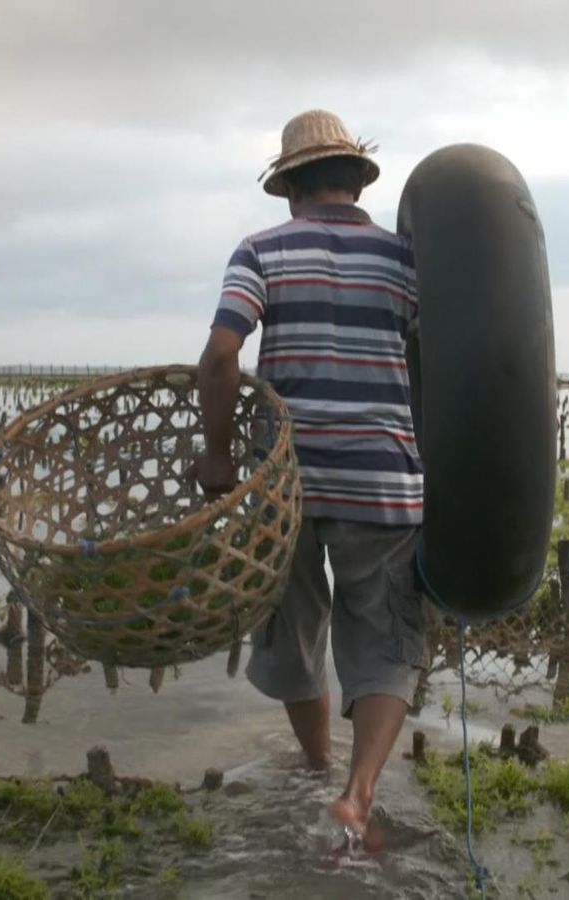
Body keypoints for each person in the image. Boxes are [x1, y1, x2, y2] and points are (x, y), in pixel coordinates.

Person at [194, 109, 425, 846]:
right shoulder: (405, 260)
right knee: (385, 639)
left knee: (291, 634)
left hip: (284, 487)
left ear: (291, 186)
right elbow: (436, 366)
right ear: (357, 181)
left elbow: (221, 357)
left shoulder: (260, 251)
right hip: (381, 484)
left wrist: (219, 456)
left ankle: (318, 763)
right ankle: (355, 796)